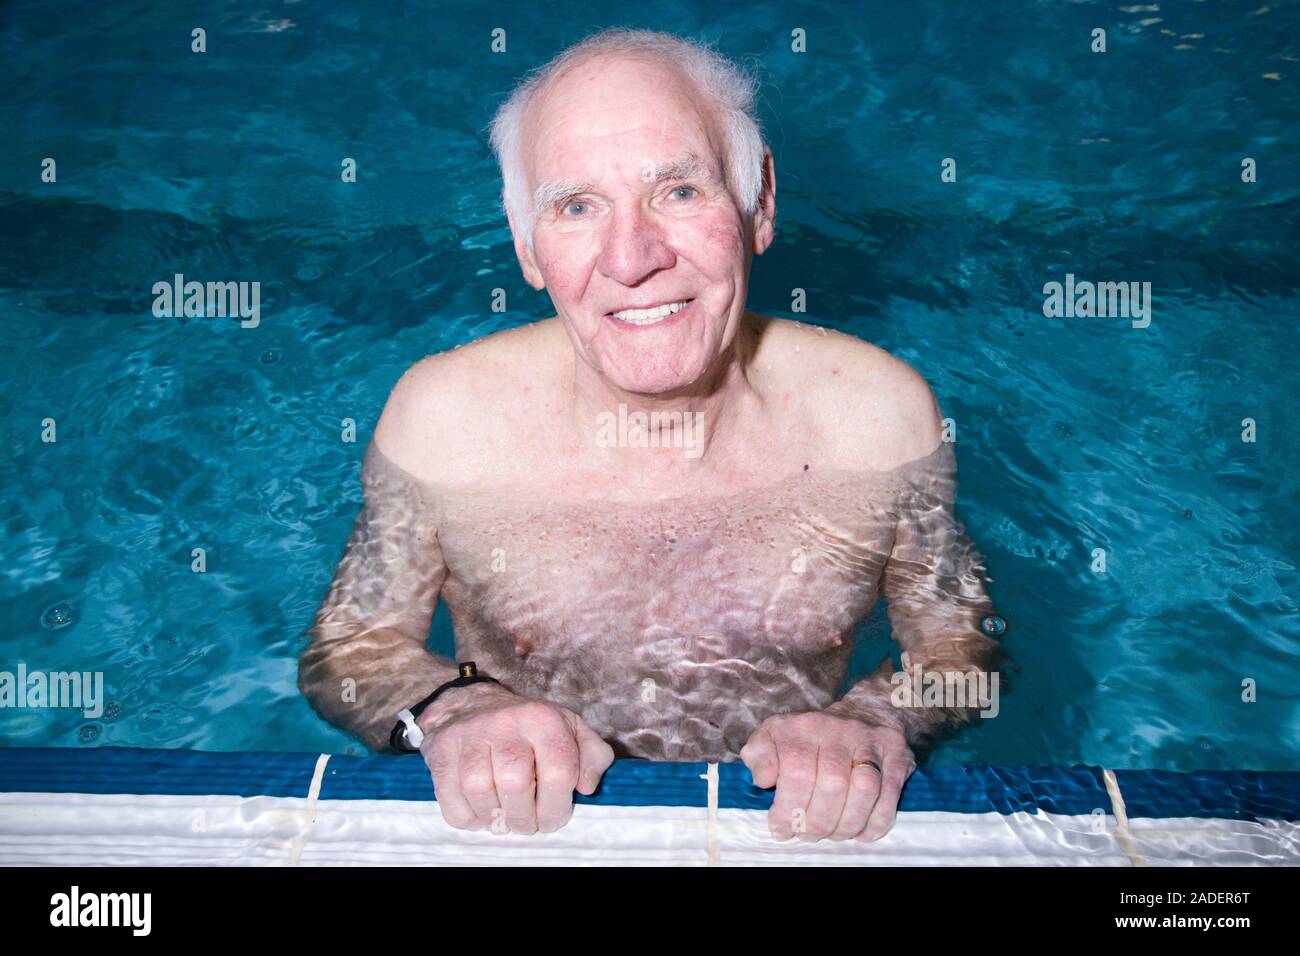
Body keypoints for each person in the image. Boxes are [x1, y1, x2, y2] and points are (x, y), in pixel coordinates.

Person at [299, 27, 1000, 843]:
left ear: (760, 203)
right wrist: (454, 706)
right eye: (576, 206)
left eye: (679, 191)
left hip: (789, 833)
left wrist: (879, 718)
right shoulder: (445, 422)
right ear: (526, 244)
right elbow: (351, 648)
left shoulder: (877, 417)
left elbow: (961, 647)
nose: (631, 260)